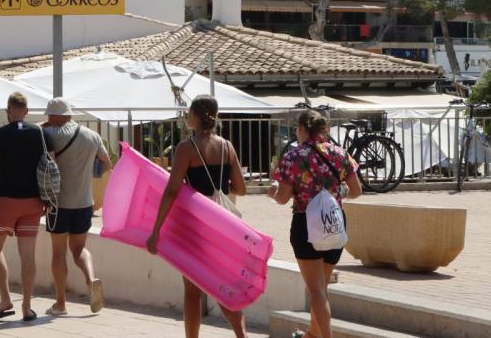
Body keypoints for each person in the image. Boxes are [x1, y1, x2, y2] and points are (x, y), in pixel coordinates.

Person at [145, 95, 248, 338]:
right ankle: (241, 335)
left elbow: (171, 190)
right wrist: (219, 189)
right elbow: (241, 188)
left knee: (193, 291)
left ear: (196, 116)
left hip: (195, 226)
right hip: (223, 224)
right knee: (223, 285)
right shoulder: (226, 146)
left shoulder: (186, 148)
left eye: (188, 112)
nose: (186, 116)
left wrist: (156, 230)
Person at [269, 111, 363, 338]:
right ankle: (312, 333)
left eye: (296, 129)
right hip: (334, 222)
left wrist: (272, 191)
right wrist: (335, 190)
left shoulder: (293, 157)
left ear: (302, 128)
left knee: (316, 290)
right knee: (322, 288)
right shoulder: (341, 154)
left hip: (306, 225)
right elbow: (357, 191)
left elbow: (282, 198)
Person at [42, 97, 111, 316]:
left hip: (59, 204)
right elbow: (107, 163)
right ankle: (91, 280)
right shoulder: (92, 135)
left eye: (49, 116)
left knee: (58, 252)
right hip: (84, 203)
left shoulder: (51, 134)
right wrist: (91, 171)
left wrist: (44, 127)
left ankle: (60, 304)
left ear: (55, 116)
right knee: (79, 249)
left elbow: (36, 136)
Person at [0, 93, 47, 323]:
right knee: (28, 256)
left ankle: (5, 300)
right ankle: (27, 307)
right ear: (27, 111)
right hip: (33, 201)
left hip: (6, 200)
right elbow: (50, 164)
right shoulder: (38, 133)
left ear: (8, 110)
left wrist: (3, 175)